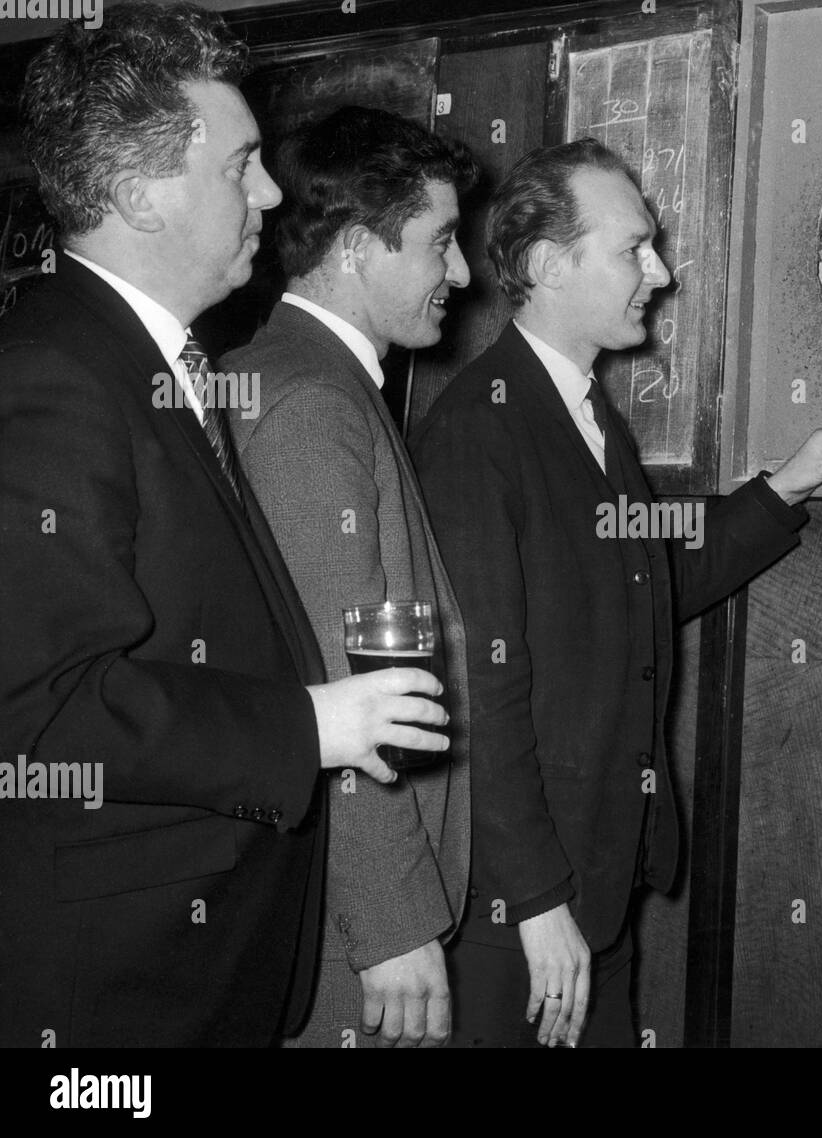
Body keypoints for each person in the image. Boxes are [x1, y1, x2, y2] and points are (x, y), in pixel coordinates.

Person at [0, 3, 448, 1048]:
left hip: (190, 966)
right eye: (240, 164)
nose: (271, 192)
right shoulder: (52, 377)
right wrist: (312, 725)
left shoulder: (143, 359)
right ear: (140, 196)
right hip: (112, 990)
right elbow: (36, 710)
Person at [410, 137, 822, 1047]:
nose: (659, 273)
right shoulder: (478, 435)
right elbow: (476, 694)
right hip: (526, 906)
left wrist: (784, 487)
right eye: (633, 248)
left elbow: (646, 579)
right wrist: (536, 899)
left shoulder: (586, 414)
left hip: (596, 875)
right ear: (549, 265)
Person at [224, 106, 477, 1049]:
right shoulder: (311, 403)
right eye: (441, 243)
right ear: (358, 249)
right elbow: (344, 698)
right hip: (345, 927)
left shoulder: (308, 378)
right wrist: (395, 922)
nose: (460, 273)